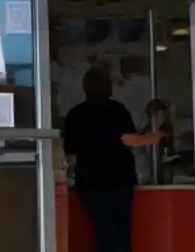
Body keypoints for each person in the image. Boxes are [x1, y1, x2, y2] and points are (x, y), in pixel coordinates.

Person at [63, 67, 160, 252]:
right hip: (119, 178)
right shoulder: (116, 110)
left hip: (90, 180)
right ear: (107, 86)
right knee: (121, 233)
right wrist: (153, 138)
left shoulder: (75, 114)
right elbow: (128, 139)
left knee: (103, 233)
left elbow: (70, 149)